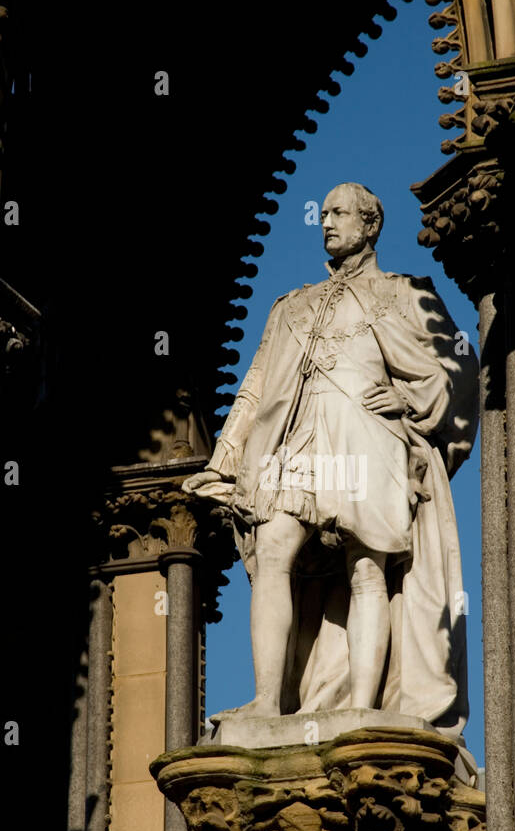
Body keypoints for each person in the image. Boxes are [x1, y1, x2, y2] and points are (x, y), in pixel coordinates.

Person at [184, 182, 478, 737]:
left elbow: (460, 366)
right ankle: (267, 700)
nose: (326, 222)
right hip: (296, 443)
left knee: (367, 566)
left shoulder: (405, 292)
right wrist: (224, 462)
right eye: (323, 214)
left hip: (366, 439)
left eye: (340, 213)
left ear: (370, 225)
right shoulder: (292, 305)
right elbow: (255, 386)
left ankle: (362, 706)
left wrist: (411, 399)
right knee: (273, 548)